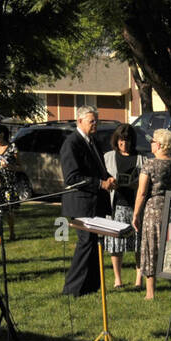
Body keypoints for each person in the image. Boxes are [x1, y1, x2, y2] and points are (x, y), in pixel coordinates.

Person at [59, 106, 115, 297]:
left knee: (94, 243)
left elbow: (98, 169)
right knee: (86, 243)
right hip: (81, 202)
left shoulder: (93, 141)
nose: (95, 124)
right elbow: (72, 177)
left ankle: (90, 286)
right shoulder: (72, 143)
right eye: (91, 121)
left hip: (95, 202)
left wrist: (108, 178)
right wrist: (100, 183)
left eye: (96, 121)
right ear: (79, 121)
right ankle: (72, 289)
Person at [136, 127, 171, 298]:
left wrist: (136, 214)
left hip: (154, 208)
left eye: (153, 141)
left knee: (151, 247)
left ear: (159, 145)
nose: (151, 143)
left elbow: (142, 192)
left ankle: (150, 292)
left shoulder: (149, 164)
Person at [102, 123, 147, 289]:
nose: (124, 143)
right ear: (116, 140)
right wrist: (109, 182)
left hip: (135, 207)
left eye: (127, 140)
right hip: (116, 206)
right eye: (121, 140)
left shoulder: (142, 158)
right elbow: (103, 178)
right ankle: (117, 279)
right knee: (116, 244)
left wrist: (138, 185)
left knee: (138, 244)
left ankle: (138, 280)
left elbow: (147, 183)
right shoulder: (107, 157)